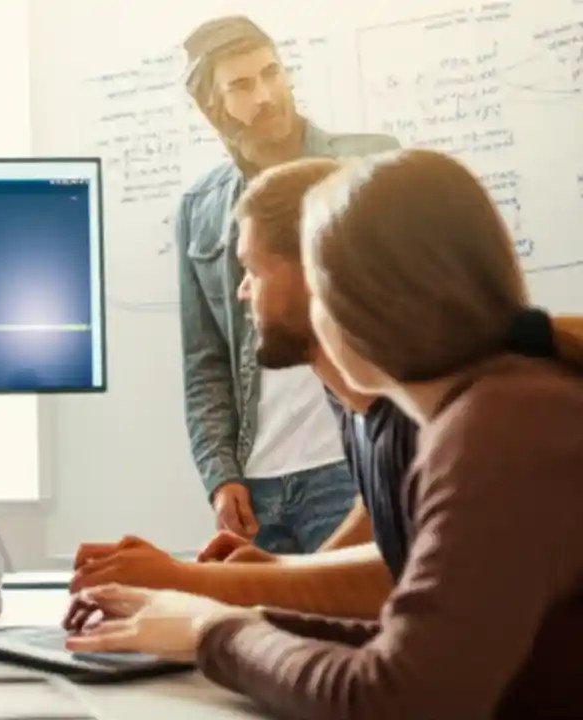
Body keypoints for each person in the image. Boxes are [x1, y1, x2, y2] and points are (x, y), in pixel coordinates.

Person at [67, 148, 583, 718]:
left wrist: (213, 629)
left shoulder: (497, 426)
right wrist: (216, 620)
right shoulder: (490, 410)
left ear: (367, 293)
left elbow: (398, 698)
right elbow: (409, 645)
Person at [176, 14, 400, 553]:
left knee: (358, 623)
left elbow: (411, 305)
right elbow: (203, 359)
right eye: (242, 85)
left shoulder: (369, 163)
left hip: (351, 462)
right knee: (267, 633)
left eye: (272, 72)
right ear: (214, 107)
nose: (266, 94)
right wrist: (220, 473)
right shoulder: (200, 208)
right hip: (256, 484)